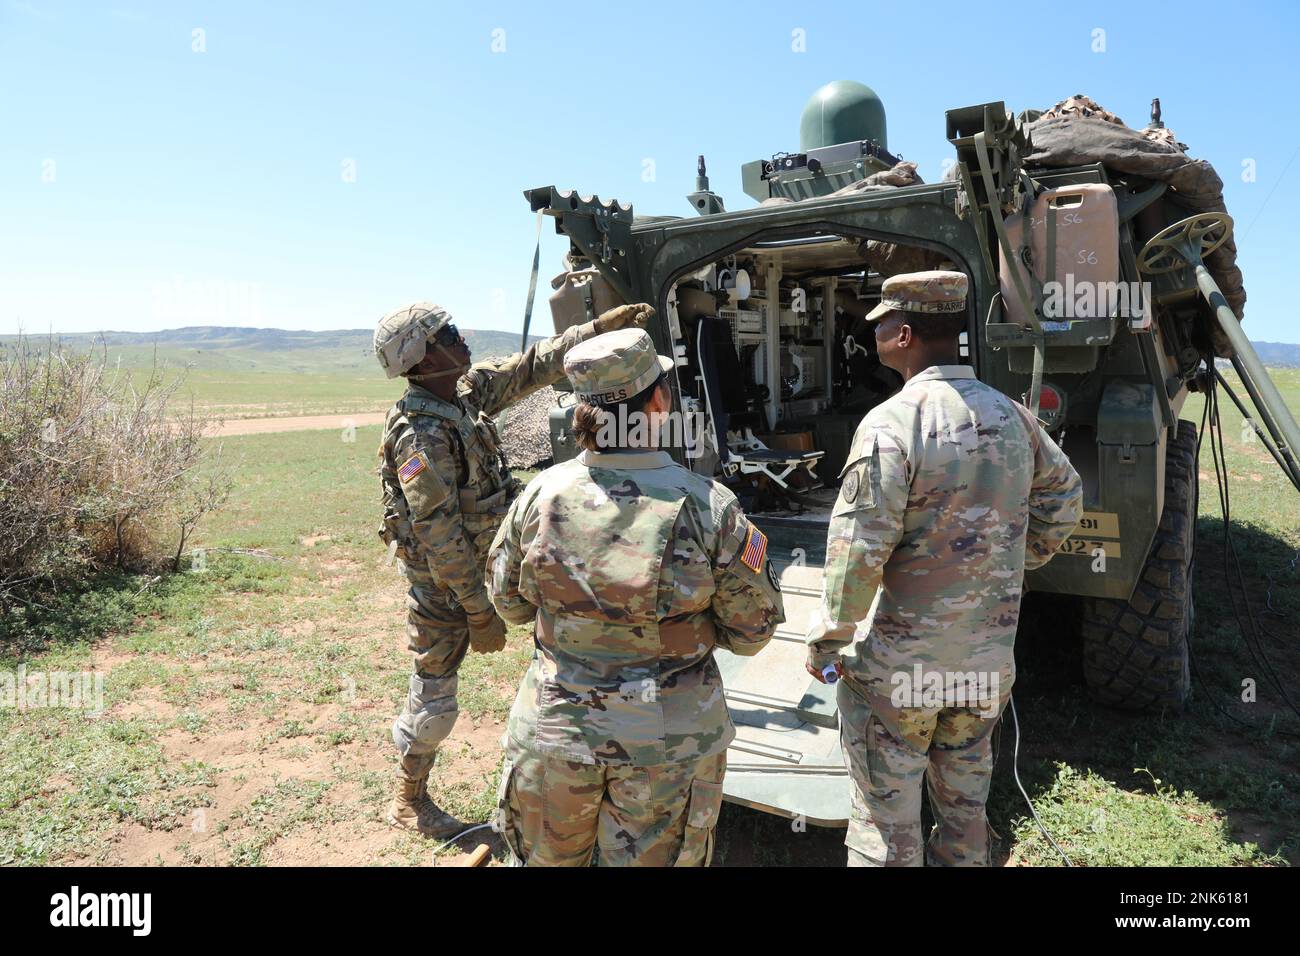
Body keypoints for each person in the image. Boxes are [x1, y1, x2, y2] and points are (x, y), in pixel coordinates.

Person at [805, 270, 1083, 867]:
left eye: (880, 322)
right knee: (964, 806)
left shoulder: (890, 424)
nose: (873, 330)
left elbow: (858, 551)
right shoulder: (1014, 416)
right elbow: (1065, 498)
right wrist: (1014, 562)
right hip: (985, 665)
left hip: (901, 673)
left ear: (903, 335)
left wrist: (829, 642)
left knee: (885, 823)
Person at [486, 328, 784, 865]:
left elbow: (508, 604)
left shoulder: (538, 495)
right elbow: (752, 631)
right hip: (667, 745)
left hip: (556, 731)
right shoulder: (709, 507)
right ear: (659, 401)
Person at [374, 299, 653, 838]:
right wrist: (478, 612)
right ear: (421, 358)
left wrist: (596, 329)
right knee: (435, 696)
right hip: (446, 590)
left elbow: (532, 366)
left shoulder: (463, 393)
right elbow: (440, 535)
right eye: (447, 334)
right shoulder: (419, 433)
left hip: (500, 567)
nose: (462, 338)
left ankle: (584, 775)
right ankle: (408, 800)